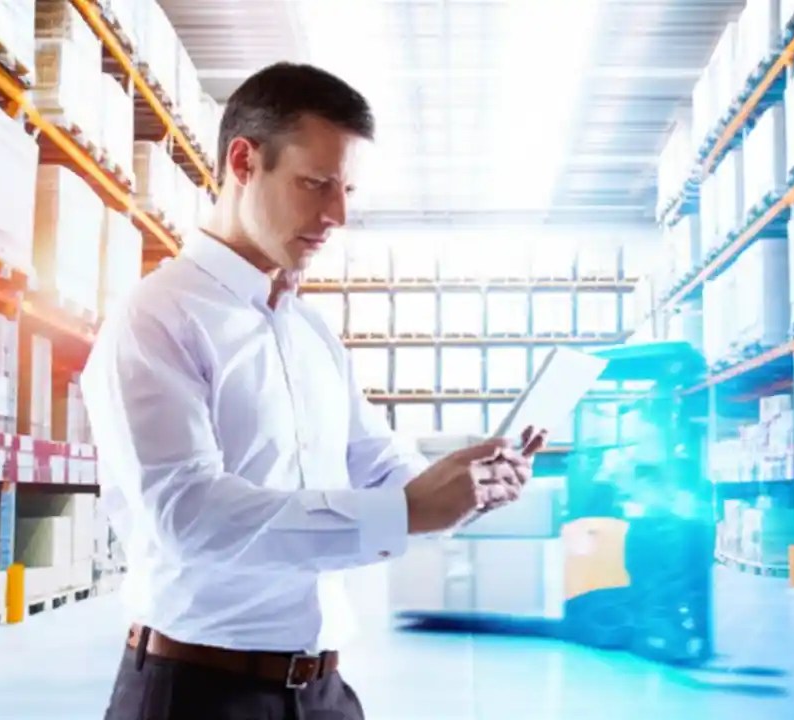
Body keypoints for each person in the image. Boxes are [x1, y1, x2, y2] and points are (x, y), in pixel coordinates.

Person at [81, 61, 547, 720]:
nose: (338, 215)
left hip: (321, 690)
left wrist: (463, 487)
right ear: (244, 162)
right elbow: (189, 515)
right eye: (316, 184)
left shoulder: (309, 332)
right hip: (197, 690)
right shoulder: (157, 316)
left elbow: (376, 463)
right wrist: (407, 512)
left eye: (348, 188)